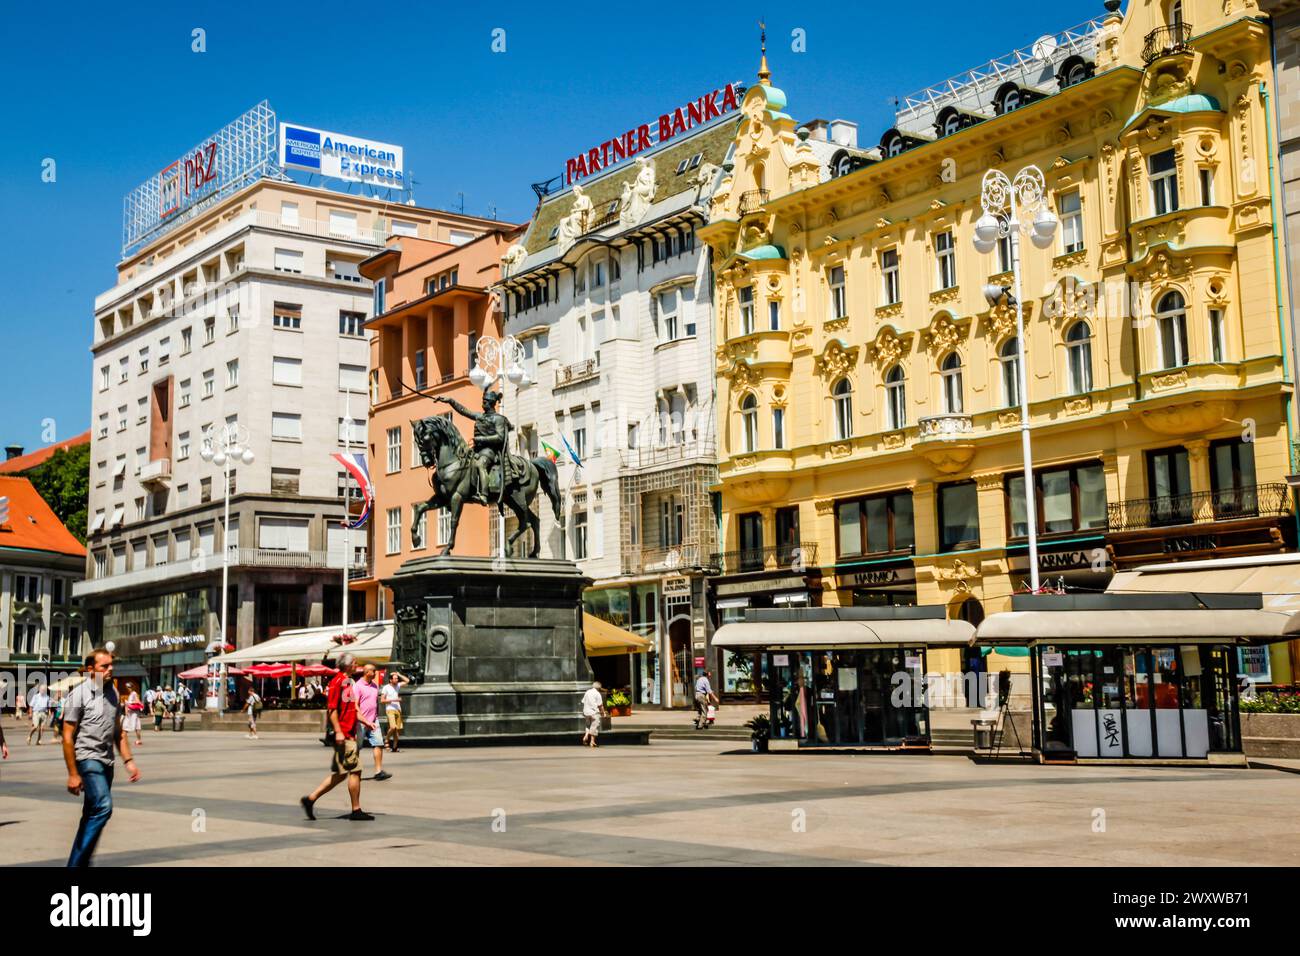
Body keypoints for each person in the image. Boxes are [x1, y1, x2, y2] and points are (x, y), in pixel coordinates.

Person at [63, 648, 141, 867]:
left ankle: (80, 862)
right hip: (87, 759)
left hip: (107, 762)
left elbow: (119, 732)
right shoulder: (78, 694)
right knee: (103, 807)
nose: (110, 669)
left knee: (91, 814)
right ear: (91, 669)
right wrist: (72, 773)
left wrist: (128, 761)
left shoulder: (113, 693)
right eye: (104, 666)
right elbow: (67, 737)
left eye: (111, 665)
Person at [300, 653, 372, 821]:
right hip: (345, 734)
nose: (357, 665)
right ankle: (356, 810)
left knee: (340, 774)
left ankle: (310, 799)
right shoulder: (337, 682)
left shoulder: (347, 682)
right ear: (347, 665)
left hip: (349, 732)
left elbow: (350, 709)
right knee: (355, 771)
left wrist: (365, 721)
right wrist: (339, 731)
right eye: (354, 662)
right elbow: (332, 710)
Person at [354, 664, 389, 780]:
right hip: (361, 722)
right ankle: (355, 772)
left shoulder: (375, 685)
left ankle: (378, 772)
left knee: (378, 744)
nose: (375, 673)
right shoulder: (357, 686)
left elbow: (375, 703)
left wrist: (375, 717)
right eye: (373, 671)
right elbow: (355, 706)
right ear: (367, 672)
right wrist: (364, 721)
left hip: (374, 720)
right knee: (356, 748)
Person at [381, 671, 410, 752]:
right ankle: (386, 739)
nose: (397, 680)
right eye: (395, 678)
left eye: (397, 678)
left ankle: (395, 747)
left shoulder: (398, 685)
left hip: (398, 709)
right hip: (390, 709)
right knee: (393, 727)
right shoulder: (386, 687)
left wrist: (399, 674)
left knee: (396, 730)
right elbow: (382, 700)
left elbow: (407, 681)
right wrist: (395, 699)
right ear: (390, 680)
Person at [580, 681, 606, 748]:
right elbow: (600, 705)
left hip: (586, 712)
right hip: (594, 712)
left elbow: (583, 701)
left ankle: (586, 736)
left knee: (588, 725)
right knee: (594, 726)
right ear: (599, 688)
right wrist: (603, 713)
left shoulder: (587, 692)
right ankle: (592, 741)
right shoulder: (597, 694)